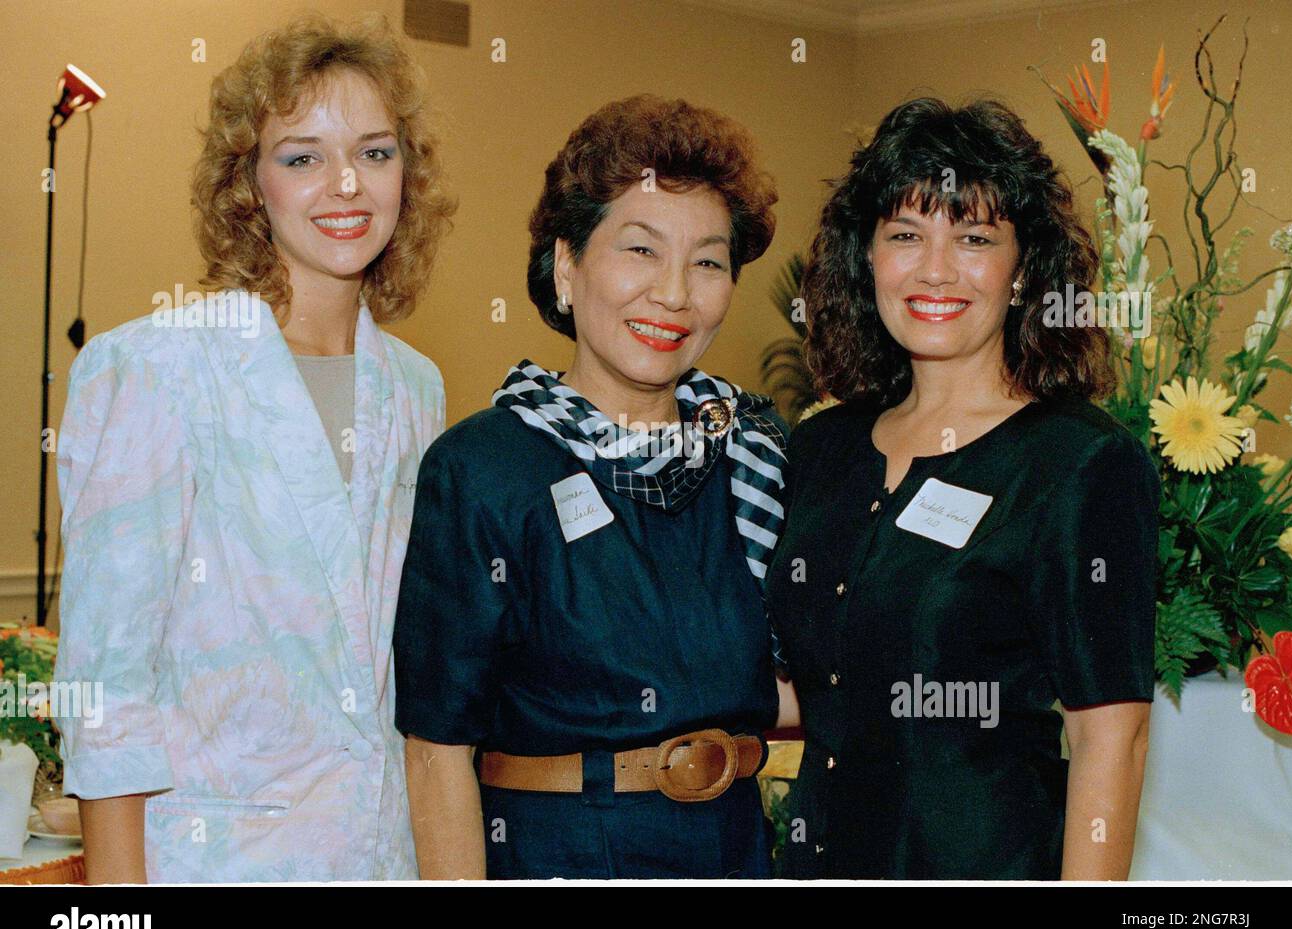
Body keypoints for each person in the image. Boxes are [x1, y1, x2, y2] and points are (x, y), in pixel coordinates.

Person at [52, 15, 455, 883]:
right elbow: (108, 698)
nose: (345, 184)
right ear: (249, 183)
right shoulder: (153, 368)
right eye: (302, 156)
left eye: (375, 153)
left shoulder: (418, 388)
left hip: (382, 859)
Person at [394, 94, 791, 879]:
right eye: (640, 250)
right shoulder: (485, 469)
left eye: (708, 260)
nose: (675, 293)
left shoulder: (755, 460)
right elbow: (438, 753)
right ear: (567, 266)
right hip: (558, 853)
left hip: (738, 851)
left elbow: (800, 681)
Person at [767, 97, 1157, 880]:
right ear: (867, 257)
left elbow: (1109, 739)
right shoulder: (820, 448)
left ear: (1022, 273)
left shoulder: (1079, 464)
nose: (935, 270)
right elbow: (816, 686)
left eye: (974, 239)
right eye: (905, 236)